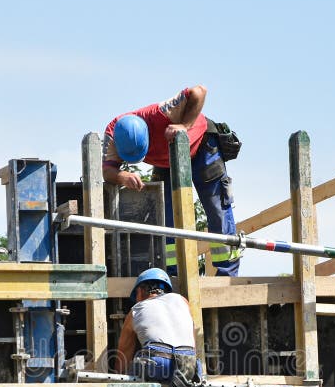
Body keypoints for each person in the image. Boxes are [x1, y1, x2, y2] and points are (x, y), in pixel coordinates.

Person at [102, 85, 241, 277]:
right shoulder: (113, 134)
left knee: (216, 207)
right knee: (165, 213)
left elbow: (200, 91)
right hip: (166, 158)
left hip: (201, 144)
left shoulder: (162, 112)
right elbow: (107, 171)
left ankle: (227, 273)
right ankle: (173, 274)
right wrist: (122, 176)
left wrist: (185, 125)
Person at [116, 268, 206, 387]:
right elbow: (191, 341)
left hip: (155, 360)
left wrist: (120, 384)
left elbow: (123, 354)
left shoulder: (136, 310)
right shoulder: (183, 302)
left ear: (142, 290)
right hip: (187, 360)